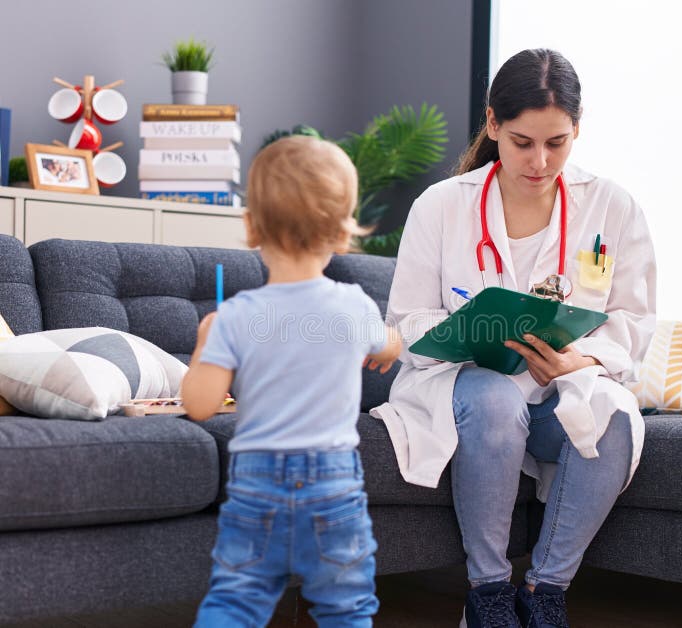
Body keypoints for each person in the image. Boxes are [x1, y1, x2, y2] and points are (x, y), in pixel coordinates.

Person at [370, 48, 656, 628]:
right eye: (523, 142)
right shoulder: (443, 206)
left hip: (558, 389)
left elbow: (633, 318)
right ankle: (489, 593)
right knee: (496, 398)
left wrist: (580, 359)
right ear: (493, 124)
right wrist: (467, 336)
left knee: (616, 413)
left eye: (557, 142)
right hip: (464, 384)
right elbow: (408, 319)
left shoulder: (613, 206)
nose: (540, 160)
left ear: (578, 129)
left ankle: (546, 591)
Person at [182, 135, 402, 628]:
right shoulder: (354, 306)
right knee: (346, 610)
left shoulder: (235, 317)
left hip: (256, 489)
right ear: (343, 234)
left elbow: (199, 406)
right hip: (334, 488)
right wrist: (386, 344)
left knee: (235, 605)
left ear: (251, 226)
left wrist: (204, 342)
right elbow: (390, 346)